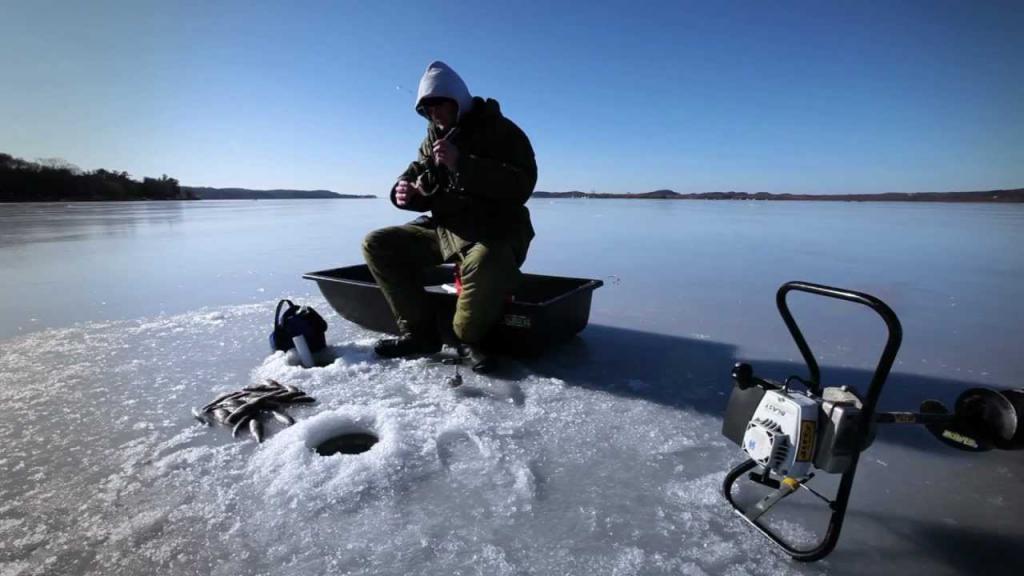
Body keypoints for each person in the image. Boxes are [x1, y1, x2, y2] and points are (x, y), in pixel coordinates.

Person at [362, 60, 537, 373]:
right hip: (445, 228)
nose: (433, 115)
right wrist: (403, 193)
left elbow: (521, 185)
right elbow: (418, 174)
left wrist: (463, 165)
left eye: (438, 106)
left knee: (485, 260)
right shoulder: (433, 137)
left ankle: (467, 339)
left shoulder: (503, 132)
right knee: (378, 244)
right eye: (426, 111)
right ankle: (419, 333)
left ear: (457, 100)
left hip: (496, 229)